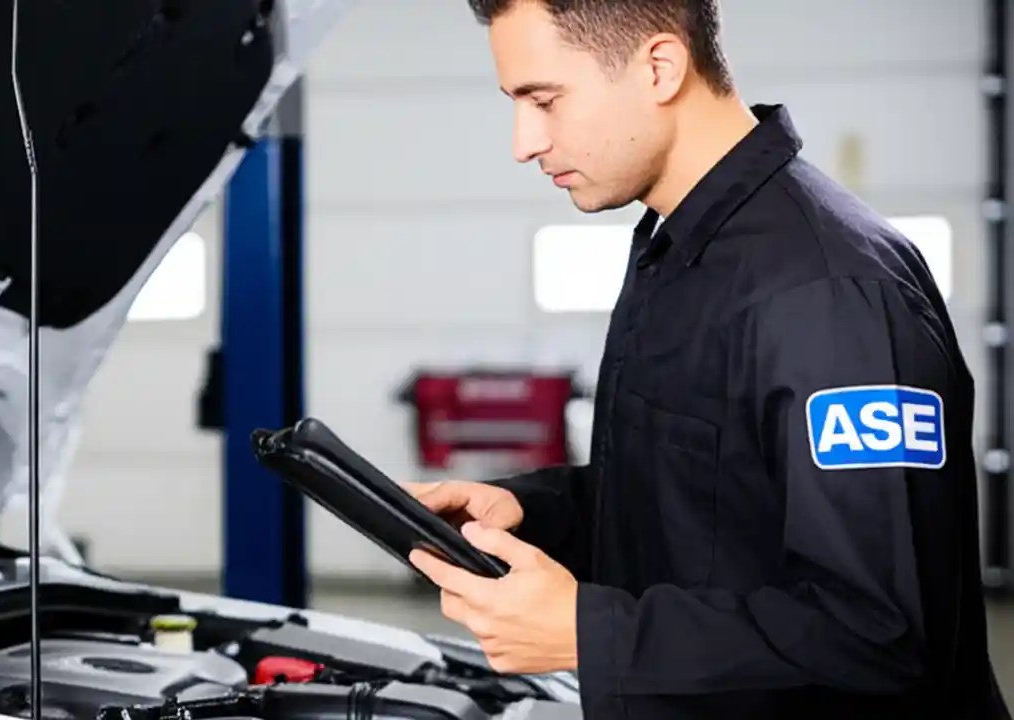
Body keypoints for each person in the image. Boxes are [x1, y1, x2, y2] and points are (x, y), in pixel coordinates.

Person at [400, 1, 1012, 718]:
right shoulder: (676, 248)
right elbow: (708, 504)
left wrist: (590, 634)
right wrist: (531, 511)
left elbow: (881, 635)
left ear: (659, 67)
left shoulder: (826, 294)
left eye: (544, 100)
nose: (523, 142)